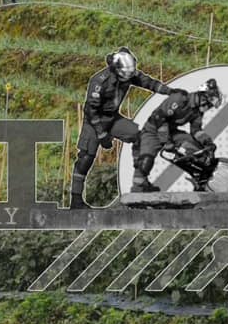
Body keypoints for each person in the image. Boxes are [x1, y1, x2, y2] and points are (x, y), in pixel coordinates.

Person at [69, 48, 175, 207]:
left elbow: (148, 82)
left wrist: (170, 92)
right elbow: (90, 110)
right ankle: (76, 199)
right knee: (86, 157)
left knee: (139, 137)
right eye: (125, 75)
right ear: (116, 69)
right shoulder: (99, 81)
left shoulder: (128, 73)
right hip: (95, 121)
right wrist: (101, 134)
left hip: (112, 118)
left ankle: (140, 182)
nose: (128, 78)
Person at [133, 79, 224, 192]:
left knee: (197, 148)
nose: (208, 107)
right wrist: (165, 142)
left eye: (210, 106)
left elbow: (196, 130)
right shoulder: (180, 98)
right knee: (146, 161)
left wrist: (208, 142)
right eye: (209, 104)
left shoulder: (197, 112)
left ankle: (201, 181)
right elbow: (159, 118)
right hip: (153, 129)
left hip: (171, 132)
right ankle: (139, 187)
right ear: (202, 96)